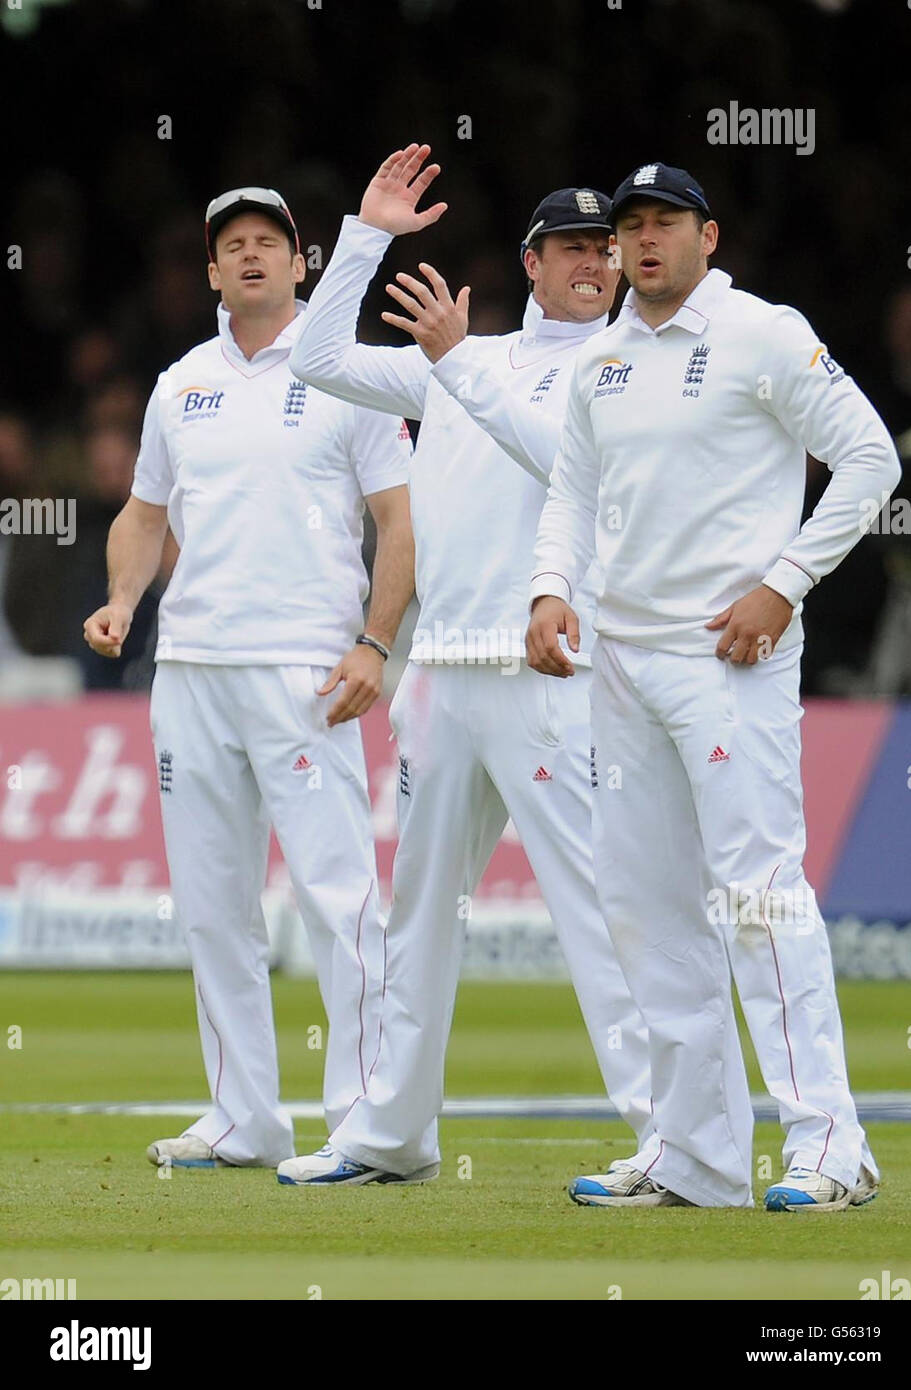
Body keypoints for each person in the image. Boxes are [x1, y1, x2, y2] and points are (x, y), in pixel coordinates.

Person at [277, 144, 653, 1186]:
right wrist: (364, 238)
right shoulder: (465, 353)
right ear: (531, 261)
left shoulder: (618, 366)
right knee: (415, 912)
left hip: (547, 671)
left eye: (609, 249)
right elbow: (314, 358)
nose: (598, 265)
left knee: (598, 904)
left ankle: (668, 1131)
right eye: (576, 248)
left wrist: (455, 364)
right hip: (440, 672)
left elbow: (566, 460)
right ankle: (391, 1133)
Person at [527, 162, 900, 1211]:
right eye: (626, 228)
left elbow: (869, 460)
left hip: (729, 659)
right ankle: (693, 1153)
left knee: (757, 894)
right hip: (621, 662)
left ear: (707, 235)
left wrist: (781, 586)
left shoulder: (765, 334)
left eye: (662, 224)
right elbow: (569, 489)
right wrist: (550, 587)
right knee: (645, 908)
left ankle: (833, 1145)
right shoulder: (602, 359)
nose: (640, 242)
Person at [83, 187, 413, 1169]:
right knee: (214, 903)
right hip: (190, 668)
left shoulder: (344, 373)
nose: (254, 255)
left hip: (305, 666)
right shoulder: (181, 383)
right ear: (215, 273)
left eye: (271, 240)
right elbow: (146, 515)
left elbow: (399, 520)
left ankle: (363, 1120)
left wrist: (374, 641)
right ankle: (244, 1115)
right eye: (235, 245)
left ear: (301, 263)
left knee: (337, 896)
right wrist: (122, 600)